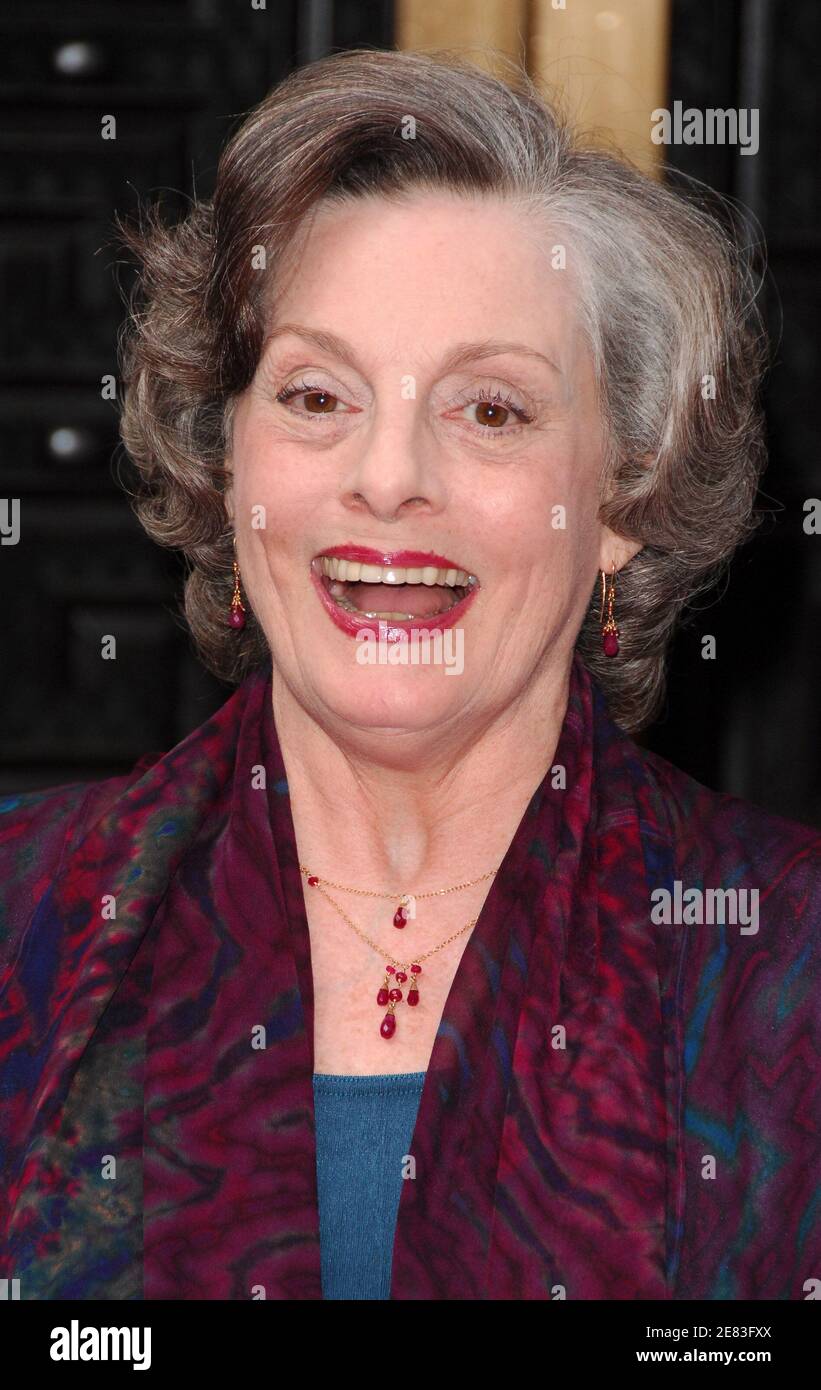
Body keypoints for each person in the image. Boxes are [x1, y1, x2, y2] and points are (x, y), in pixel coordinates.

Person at [1, 47, 818, 1302]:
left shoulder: (789, 968)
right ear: (232, 474)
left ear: (622, 496)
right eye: (316, 395)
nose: (387, 478)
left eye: (489, 410)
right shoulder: (25, 922)